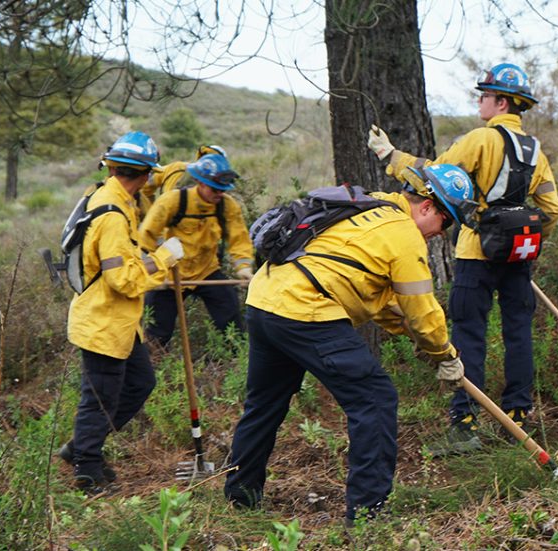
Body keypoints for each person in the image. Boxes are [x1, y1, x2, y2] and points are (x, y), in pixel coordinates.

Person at [224, 164, 474, 523]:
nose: (441, 233)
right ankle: (369, 515)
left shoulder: (369, 207)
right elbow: (422, 309)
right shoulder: (404, 234)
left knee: (263, 405)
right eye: (446, 222)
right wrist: (443, 353)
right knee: (375, 399)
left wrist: (421, 341)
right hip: (306, 309)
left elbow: (378, 298)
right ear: (426, 206)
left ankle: (241, 499)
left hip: (265, 302)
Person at [367, 63, 558, 452]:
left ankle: (465, 426)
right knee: (519, 333)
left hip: (476, 253)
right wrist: (522, 244)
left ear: (501, 102)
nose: (480, 102)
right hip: (518, 258)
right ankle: (518, 418)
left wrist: (391, 155)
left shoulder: (480, 140)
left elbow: (434, 178)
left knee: (468, 333)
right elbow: (551, 210)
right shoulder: (535, 151)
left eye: (484, 95)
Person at [59, 131, 185, 493]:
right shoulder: (112, 214)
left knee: (140, 383)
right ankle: (87, 469)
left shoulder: (116, 196)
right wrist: (164, 258)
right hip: (103, 321)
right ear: (142, 174)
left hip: (121, 323)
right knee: (100, 400)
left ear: (112, 167)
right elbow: (123, 280)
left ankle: (81, 447)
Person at [138, 153, 255, 348]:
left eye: (222, 190)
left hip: (206, 271)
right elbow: (146, 237)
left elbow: (239, 239)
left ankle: (237, 355)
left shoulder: (227, 206)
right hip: (170, 274)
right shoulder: (173, 201)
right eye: (215, 189)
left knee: (231, 321)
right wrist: (150, 272)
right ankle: (153, 359)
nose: (219, 194)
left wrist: (243, 267)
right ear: (200, 183)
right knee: (157, 332)